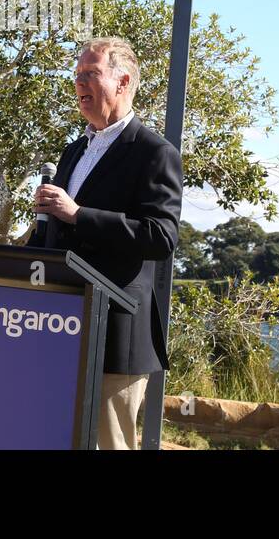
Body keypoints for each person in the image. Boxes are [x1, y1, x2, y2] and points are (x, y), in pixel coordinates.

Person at [29, 37, 181, 449]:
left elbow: (161, 236)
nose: (79, 82)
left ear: (124, 80)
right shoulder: (73, 151)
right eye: (77, 75)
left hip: (116, 331)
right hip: (60, 322)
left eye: (90, 74)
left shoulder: (154, 153)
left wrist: (78, 214)